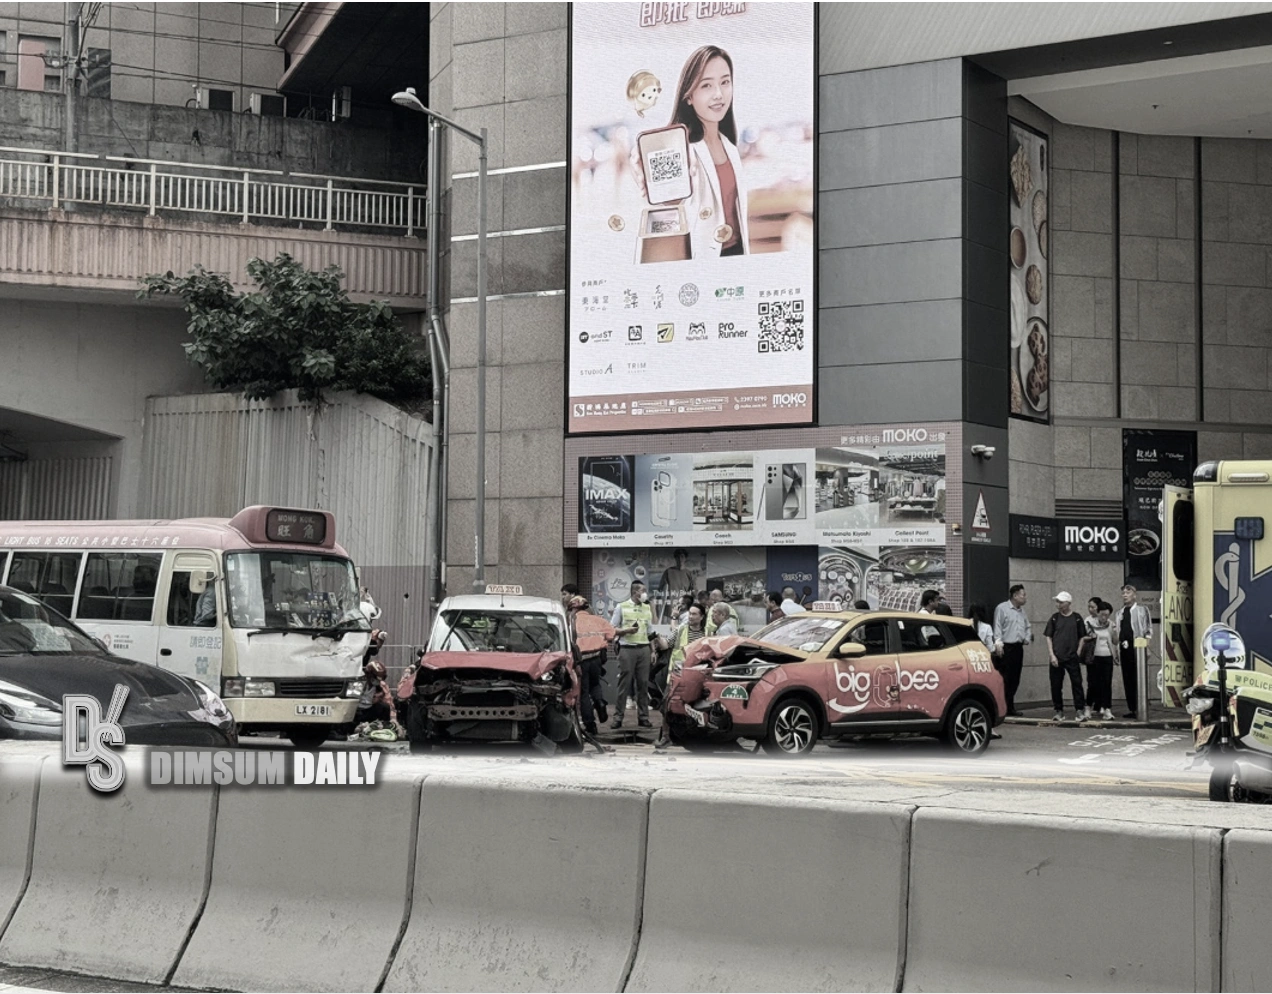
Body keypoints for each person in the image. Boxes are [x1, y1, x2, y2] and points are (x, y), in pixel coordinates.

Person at [634, 45, 749, 260]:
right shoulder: (682, 149)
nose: (718, 94)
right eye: (706, 85)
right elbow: (666, 204)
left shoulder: (731, 148)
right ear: (689, 96)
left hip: (737, 256)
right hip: (699, 260)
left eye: (725, 82)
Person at [654, 603, 708, 749]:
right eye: (690, 613)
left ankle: (698, 737)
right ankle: (666, 736)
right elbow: (666, 645)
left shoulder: (708, 632)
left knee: (699, 707)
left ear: (702, 616)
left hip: (700, 676)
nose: (690, 616)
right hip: (678, 676)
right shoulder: (681, 629)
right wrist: (657, 639)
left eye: (694, 614)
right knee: (667, 704)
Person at [567, 595, 614, 736]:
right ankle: (600, 702)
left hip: (582, 661)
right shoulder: (598, 620)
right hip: (597, 659)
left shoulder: (571, 622)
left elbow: (570, 642)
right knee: (596, 684)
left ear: (573, 608)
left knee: (584, 693)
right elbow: (611, 635)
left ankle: (590, 725)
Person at [609, 580, 653, 729]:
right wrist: (626, 631)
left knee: (643, 684)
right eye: (643, 590)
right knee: (624, 684)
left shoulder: (647, 608)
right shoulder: (621, 607)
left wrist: (653, 649)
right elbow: (612, 629)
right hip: (627, 648)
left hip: (644, 649)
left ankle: (643, 717)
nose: (645, 593)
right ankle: (618, 717)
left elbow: (650, 631)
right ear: (635, 592)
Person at [1044, 592, 1088, 721]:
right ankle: (1058, 710)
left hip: (1072, 656)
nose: (1058, 605)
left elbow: (1082, 636)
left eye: (1061, 602)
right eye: (1057, 602)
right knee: (1056, 685)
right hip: (1057, 656)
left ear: (1068, 603)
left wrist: (1078, 652)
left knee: (1077, 683)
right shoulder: (1054, 618)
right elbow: (1048, 636)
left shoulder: (1077, 618)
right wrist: (1052, 655)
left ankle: (1079, 710)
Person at [1113, 585, 1153, 719]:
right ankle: (1132, 707)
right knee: (1127, 677)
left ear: (1134, 595)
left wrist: (1146, 647)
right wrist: (1117, 651)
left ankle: (1141, 706)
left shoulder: (1142, 610)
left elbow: (1148, 629)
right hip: (1124, 648)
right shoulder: (1119, 613)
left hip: (1138, 647)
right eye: (1123, 592)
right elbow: (1118, 632)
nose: (1125, 595)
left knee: (1138, 677)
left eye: (1128, 592)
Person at [992, 584, 1031, 717]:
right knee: (1006, 678)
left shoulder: (1022, 611)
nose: (1025, 597)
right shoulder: (1002, 608)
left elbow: (1027, 626)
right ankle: (1003, 707)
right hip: (1006, 647)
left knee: (1015, 678)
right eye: (1023, 595)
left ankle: (1010, 706)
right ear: (1015, 596)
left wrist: (1026, 638)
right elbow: (997, 626)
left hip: (1018, 647)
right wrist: (998, 643)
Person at [1084, 600, 1116, 720]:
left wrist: (1115, 632)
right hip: (1094, 656)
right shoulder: (1089, 623)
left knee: (1107, 683)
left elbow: (1115, 641)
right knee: (1092, 683)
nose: (1104, 617)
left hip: (1107, 656)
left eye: (1107, 615)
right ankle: (1088, 707)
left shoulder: (1111, 624)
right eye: (1102, 614)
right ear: (1097, 613)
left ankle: (1107, 709)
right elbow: (1084, 638)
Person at [656, 550, 696, 624]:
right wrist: (657, 605)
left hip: (684, 609)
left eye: (682, 557)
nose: (680, 559)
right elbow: (660, 590)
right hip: (670, 608)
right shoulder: (668, 572)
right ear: (675, 558)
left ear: (685, 558)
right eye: (677, 557)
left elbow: (693, 591)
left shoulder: (689, 573)